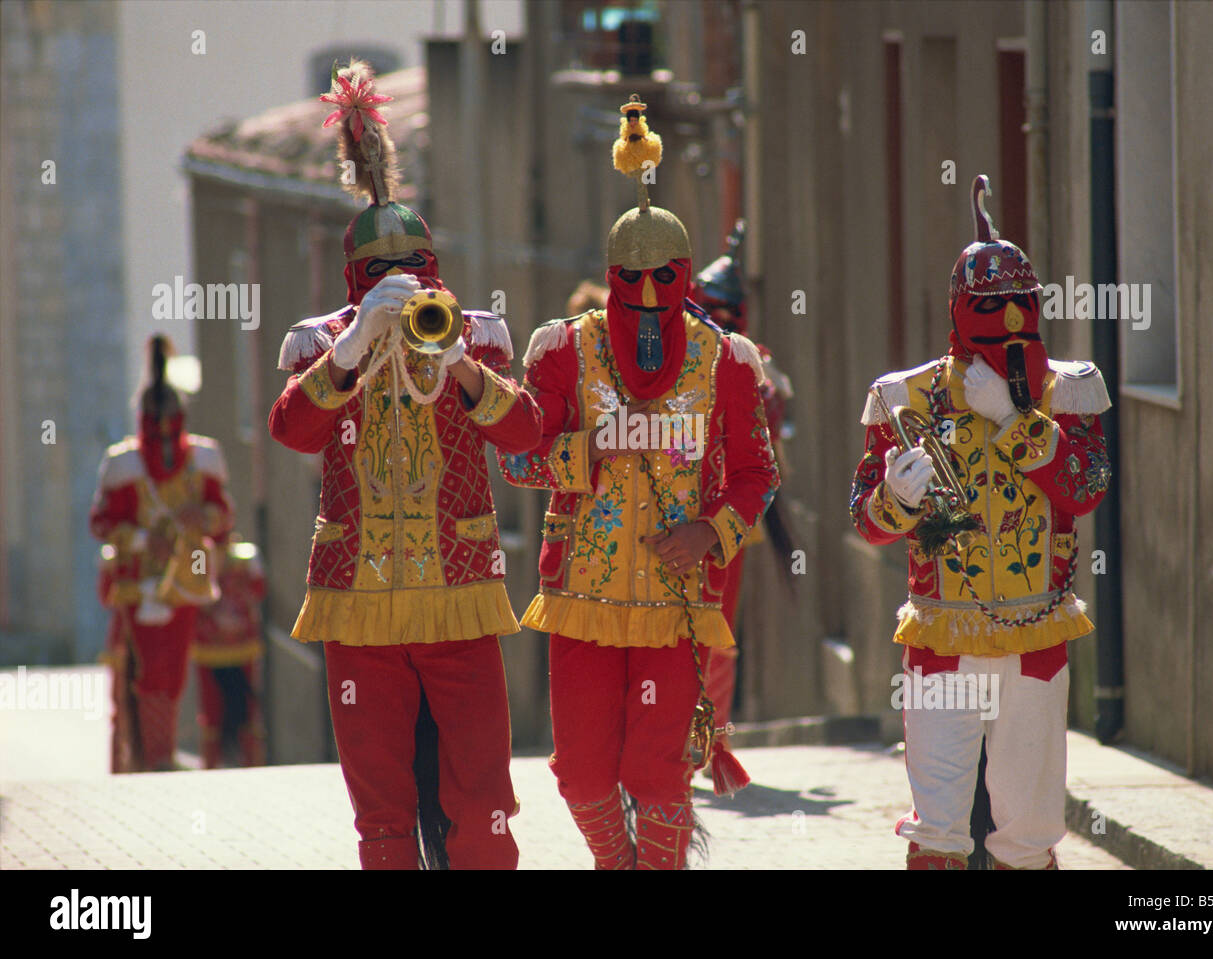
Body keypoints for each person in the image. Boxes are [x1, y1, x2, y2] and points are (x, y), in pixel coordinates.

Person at [268, 61, 542, 870]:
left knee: (484, 802)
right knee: (381, 808)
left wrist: (459, 364)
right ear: (354, 281)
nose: (401, 286)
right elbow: (291, 431)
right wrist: (350, 348)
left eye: (415, 273)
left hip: (461, 591)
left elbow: (524, 430)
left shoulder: (476, 333)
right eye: (381, 277)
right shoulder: (321, 342)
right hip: (356, 601)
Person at [499, 96, 780, 869]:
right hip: (579, 603)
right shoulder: (561, 352)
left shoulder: (726, 361)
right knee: (582, 774)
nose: (651, 294)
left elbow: (759, 473)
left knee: (657, 776)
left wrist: (711, 533)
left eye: (667, 277)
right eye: (634, 277)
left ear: (686, 275)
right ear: (609, 275)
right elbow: (519, 458)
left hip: (677, 603)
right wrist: (581, 454)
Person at [850, 176, 1111, 870]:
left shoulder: (1068, 389)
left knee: (1028, 834)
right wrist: (895, 502)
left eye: (1022, 303)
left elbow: (1085, 486)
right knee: (935, 830)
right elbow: (865, 517)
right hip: (941, 638)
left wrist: (1015, 420)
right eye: (991, 306)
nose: (1012, 318)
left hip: (1037, 636)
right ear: (959, 309)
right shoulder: (903, 399)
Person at [91, 335, 233, 773]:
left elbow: (223, 517)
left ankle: (162, 753)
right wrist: (137, 539)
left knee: (172, 671)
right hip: (136, 582)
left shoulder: (204, 459)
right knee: (139, 671)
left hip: (186, 577)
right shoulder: (123, 463)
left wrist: (202, 516)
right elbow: (101, 523)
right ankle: (143, 758)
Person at [688, 219, 795, 752]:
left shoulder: (752, 369)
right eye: (716, 308)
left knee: (719, 630)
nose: (724, 320)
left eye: (733, 314)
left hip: (728, 519)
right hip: (668, 509)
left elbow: (760, 453)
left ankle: (713, 741)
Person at [192, 534, 266, 768]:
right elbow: (194, 591)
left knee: (246, 709)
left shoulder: (244, 556)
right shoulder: (198, 555)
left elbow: (259, 589)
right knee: (212, 711)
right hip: (208, 647)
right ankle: (211, 767)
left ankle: (250, 765)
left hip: (241, 646)